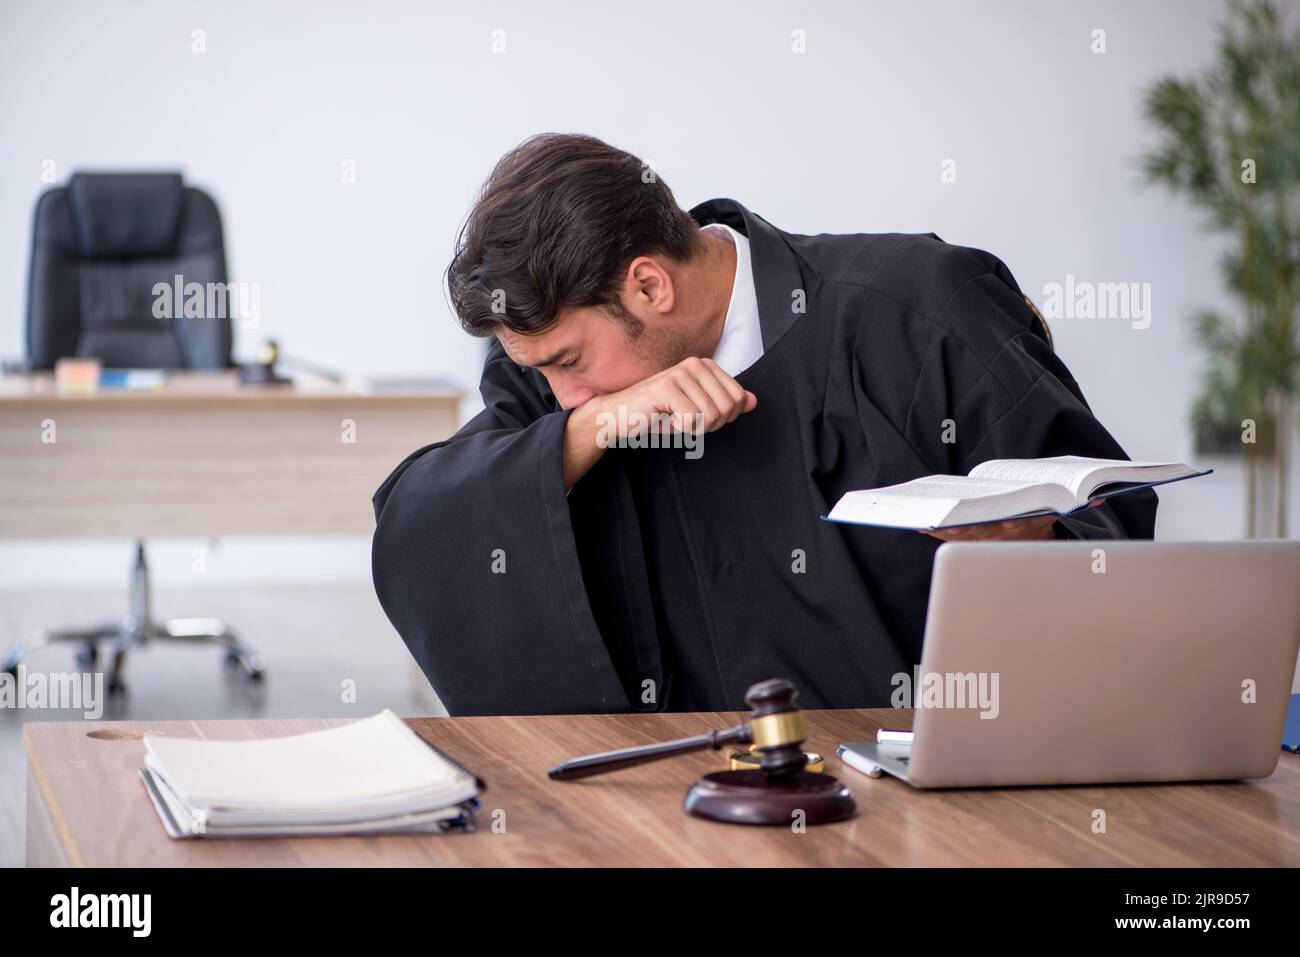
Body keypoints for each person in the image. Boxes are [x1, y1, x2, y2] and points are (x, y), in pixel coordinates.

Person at [372, 133, 1155, 716]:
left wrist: (1040, 544)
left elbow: (1110, 519)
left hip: (930, 801)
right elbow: (425, 523)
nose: (560, 393)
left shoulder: (916, 311)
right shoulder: (560, 384)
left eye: (569, 362)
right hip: (669, 809)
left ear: (648, 285)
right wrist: (598, 426)